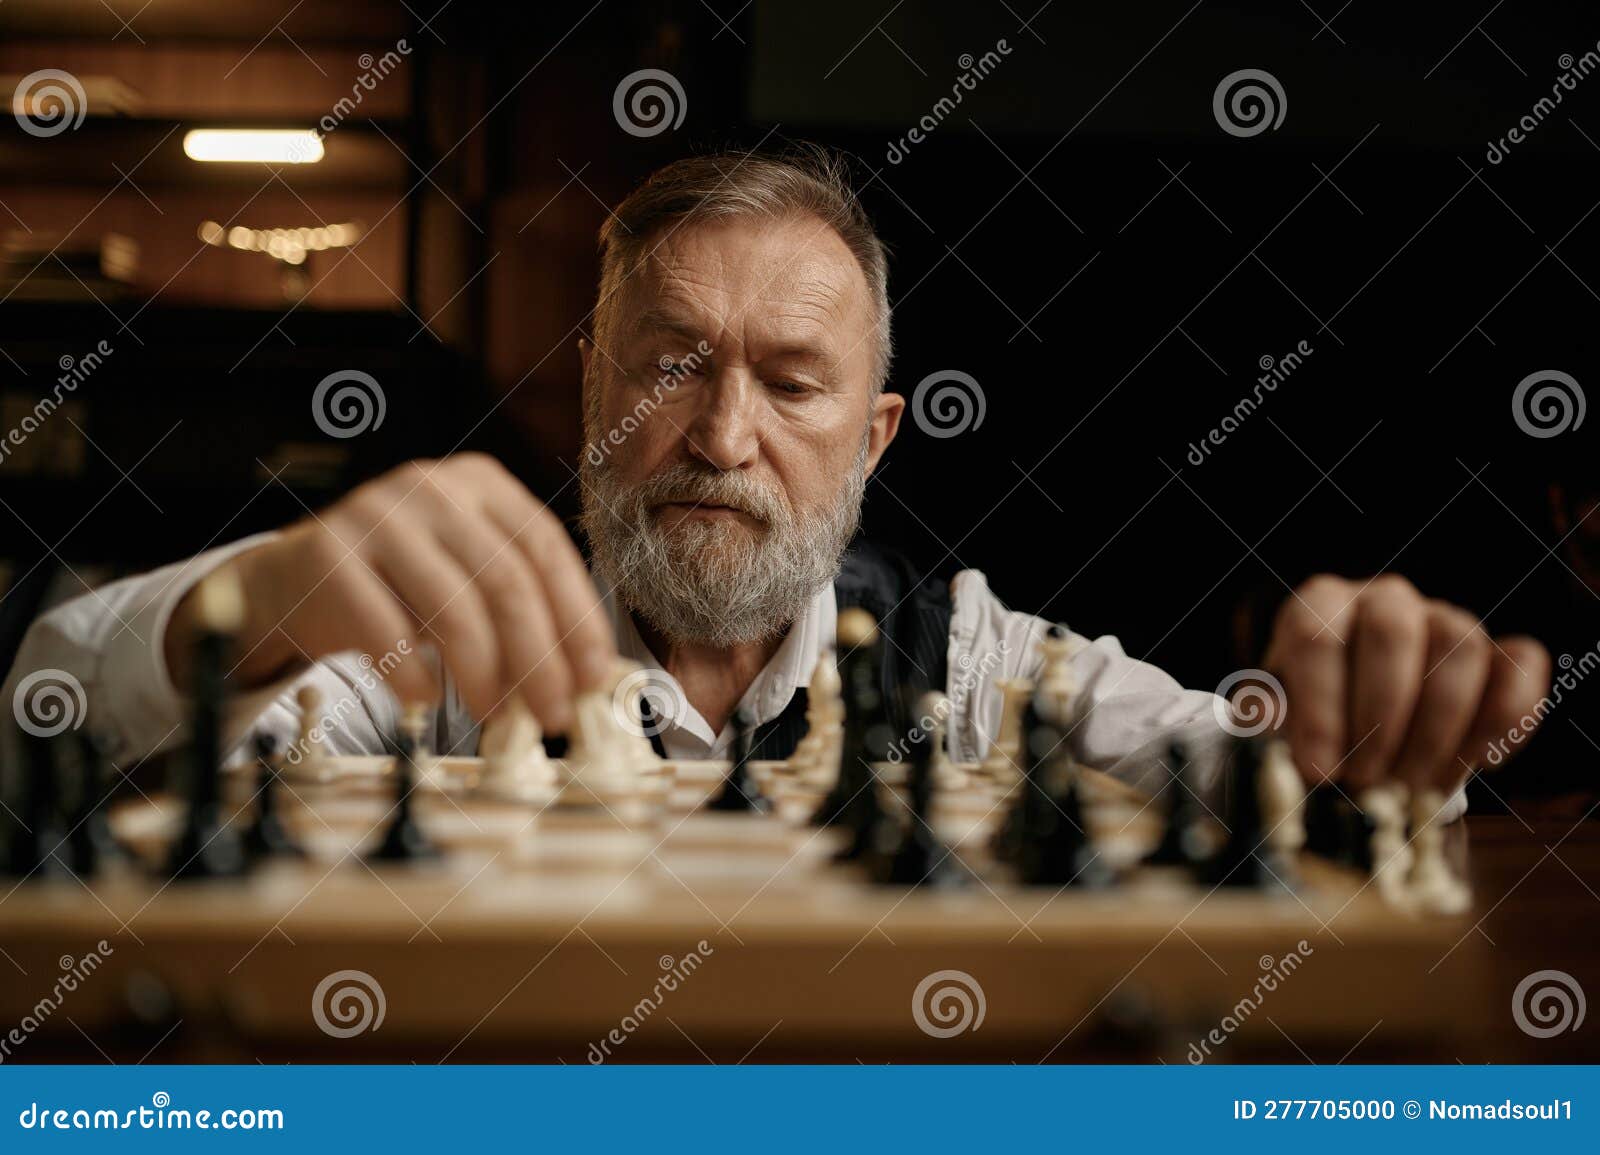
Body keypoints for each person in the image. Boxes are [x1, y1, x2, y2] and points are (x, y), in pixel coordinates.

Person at [4, 147, 1550, 810]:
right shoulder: (426, 652)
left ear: (873, 437)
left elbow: (1257, 776)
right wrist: (266, 593)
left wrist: (1381, 720)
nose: (724, 439)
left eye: (793, 384)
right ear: (596, 397)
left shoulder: (985, 661)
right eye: (671, 367)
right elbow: (43, 716)